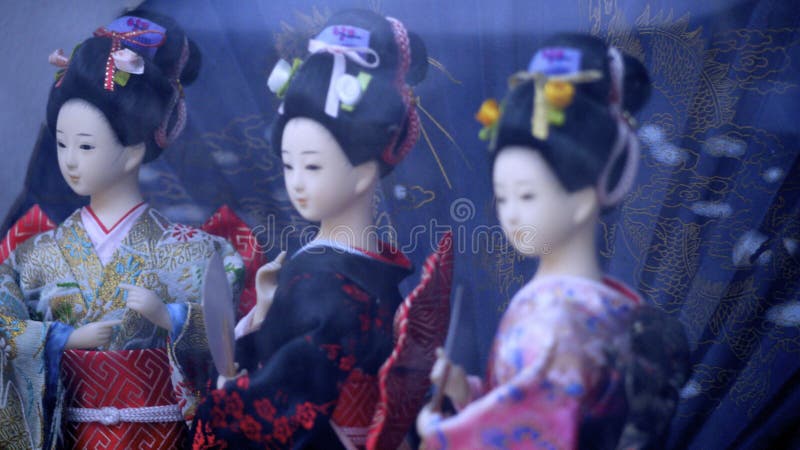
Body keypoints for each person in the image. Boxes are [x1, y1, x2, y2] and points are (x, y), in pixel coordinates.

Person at [0, 10, 243, 449]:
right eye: (61, 143)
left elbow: (229, 352)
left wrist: (172, 318)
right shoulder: (31, 257)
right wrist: (61, 339)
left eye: (86, 145)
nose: (69, 160)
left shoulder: (202, 255)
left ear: (133, 151)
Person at [416, 33, 668, 449]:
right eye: (502, 197)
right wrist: (468, 393)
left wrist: (439, 435)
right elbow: (529, 410)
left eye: (527, 195)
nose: (510, 213)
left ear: (582, 201)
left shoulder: (556, 325)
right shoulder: (608, 305)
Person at [191, 9, 428, 449]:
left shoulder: (321, 281)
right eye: (288, 165)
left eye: (313, 166)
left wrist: (227, 395)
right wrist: (267, 312)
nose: (296, 182)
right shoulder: (374, 266)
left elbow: (280, 405)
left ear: (364, 171)